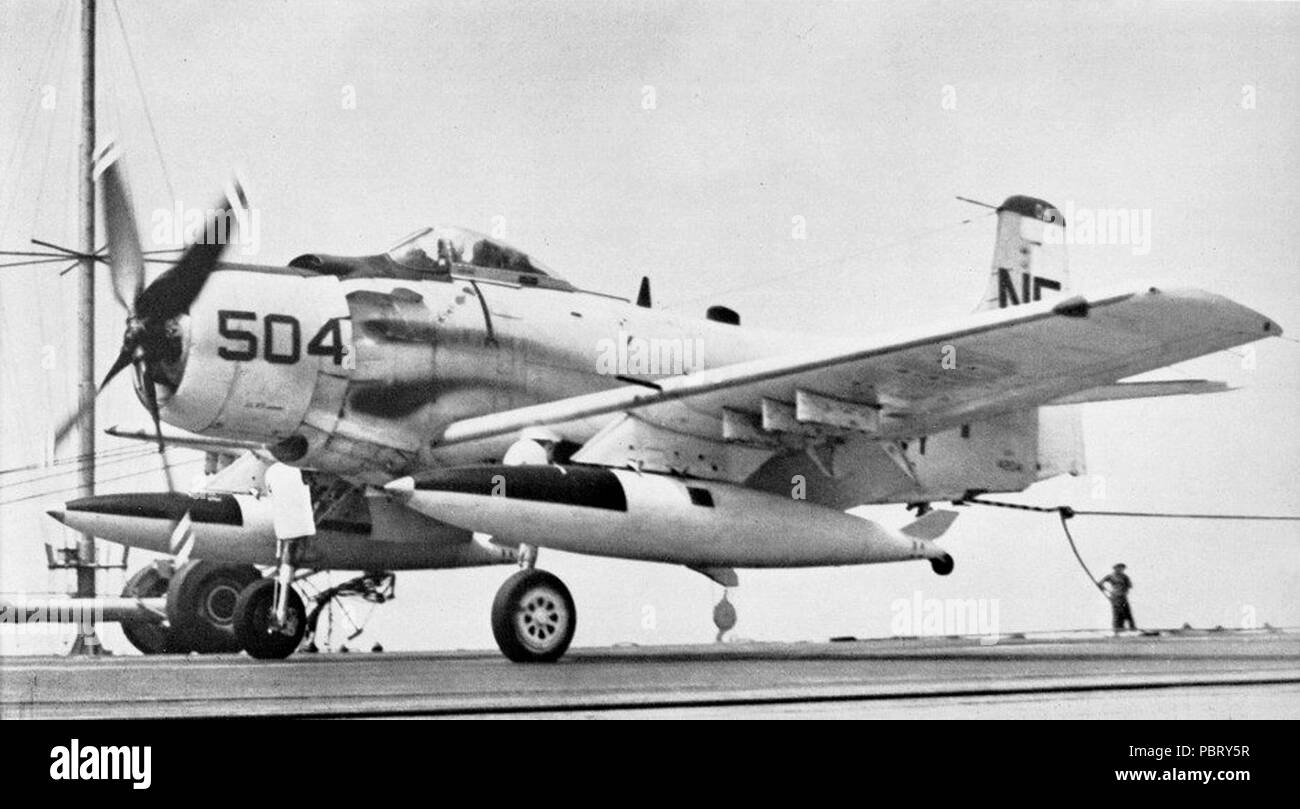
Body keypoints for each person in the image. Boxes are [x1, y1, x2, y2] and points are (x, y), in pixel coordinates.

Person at [1100, 563, 1136, 635]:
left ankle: (1132, 629)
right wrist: (1106, 590)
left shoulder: (1125, 577)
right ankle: (1117, 630)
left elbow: (1130, 586)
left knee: (1127, 612)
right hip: (1115, 597)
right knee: (1117, 613)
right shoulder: (1110, 576)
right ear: (1115, 568)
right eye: (1119, 568)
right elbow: (1100, 583)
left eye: (1122, 568)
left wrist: (1125, 590)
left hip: (1123, 596)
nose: (1121, 570)